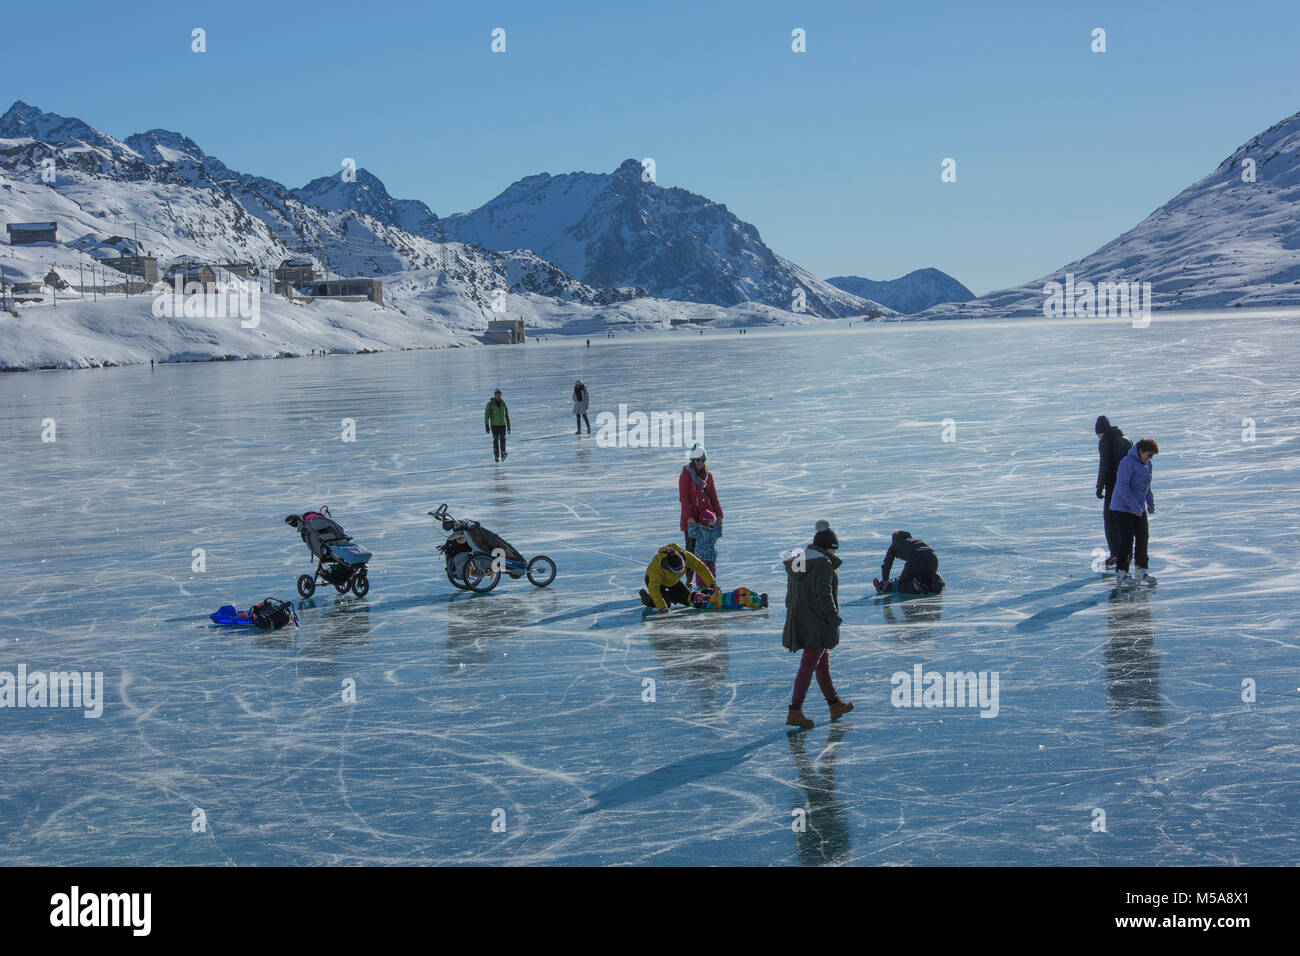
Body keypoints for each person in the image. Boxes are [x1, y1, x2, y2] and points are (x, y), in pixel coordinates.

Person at [783, 520, 852, 728]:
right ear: (827, 547)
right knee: (808, 664)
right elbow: (825, 596)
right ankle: (795, 710)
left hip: (800, 618)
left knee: (821, 661)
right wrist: (834, 619)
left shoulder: (800, 562)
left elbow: (789, 597)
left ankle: (834, 703)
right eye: (833, 548)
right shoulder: (823, 565)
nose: (834, 553)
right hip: (817, 621)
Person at [1109, 438, 1159, 587]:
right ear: (1140, 451)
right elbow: (1122, 487)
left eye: (1152, 456)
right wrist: (1135, 508)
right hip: (1122, 508)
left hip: (1138, 508)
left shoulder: (1148, 465)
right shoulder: (1127, 463)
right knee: (1127, 540)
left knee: (1143, 537)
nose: (1149, 458)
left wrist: (1149, 503)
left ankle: (1141, 570)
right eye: (1148, 455)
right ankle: (1122, 572)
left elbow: (1147, 487)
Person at [1095, 416, 1133, 568]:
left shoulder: (1106, 441)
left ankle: (1116, 555)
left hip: (1113, 487)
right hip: (1128, 487)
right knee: (1125, 522)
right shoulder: (1127, 440)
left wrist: (1099, 487)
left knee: (1111, 522)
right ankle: (1126, 555)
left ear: (1101, 432)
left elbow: (1104, 466)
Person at [639, 544, 718, 612]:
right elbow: (654, 589)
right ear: (669, 568)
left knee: (689, 601)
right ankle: (648, 599)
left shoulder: (685, 555)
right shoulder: (657, 568)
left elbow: (701, 568)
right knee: (666, 604)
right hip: (656, 582)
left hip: (673, 581)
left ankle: (672, 596)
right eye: (676, 570)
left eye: (681, 568)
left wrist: (712, 584)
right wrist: (663, 607)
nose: (680, 571)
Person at [679, 443, 722, 555]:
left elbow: (713, 497)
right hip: (692, 520)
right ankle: (689, 573)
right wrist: (689, 518)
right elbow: (684, 499)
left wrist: (719, 515)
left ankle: (705, 573)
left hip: (706, 519)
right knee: (691, 552)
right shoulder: (686, 475)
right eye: (697, 460)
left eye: (703, 459)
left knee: (706, 551)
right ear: (693, 460)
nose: (700, 462)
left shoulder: (709, 476)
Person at [874, 531, 945, 595]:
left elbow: (887, 564)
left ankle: (915, 586)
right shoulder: (916, 541)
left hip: (916, 557)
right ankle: (937, 584)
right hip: (933, 557)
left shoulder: (895, 544)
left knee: (902, 585)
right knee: (927, 579)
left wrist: (885, 580)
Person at [691, 508, 722, 586]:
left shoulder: (714, 530)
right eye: (711, 521)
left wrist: (719, 523)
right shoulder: (700, 531)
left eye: (713, 520)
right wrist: (691, 524)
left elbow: (719, 533)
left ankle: (712, 585)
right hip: (701, 555)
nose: (713, 522)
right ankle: (701, 585)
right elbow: (691, 533)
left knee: (712, 571)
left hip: (711, 555)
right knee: (701, 571)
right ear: (705, 521)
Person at [484, 389, 510, 462]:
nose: (498, 395)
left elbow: (506, 415)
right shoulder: (490, 404)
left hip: (502, 425)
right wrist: (486, 425)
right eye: (497, 394)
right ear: (494, 395)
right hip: (494, 425)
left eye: (499, 394)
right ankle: (496, 455)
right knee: (496, 440)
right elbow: (487, 415)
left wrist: (508, 426)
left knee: (503, 439)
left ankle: (503, 453)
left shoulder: (503, 403)